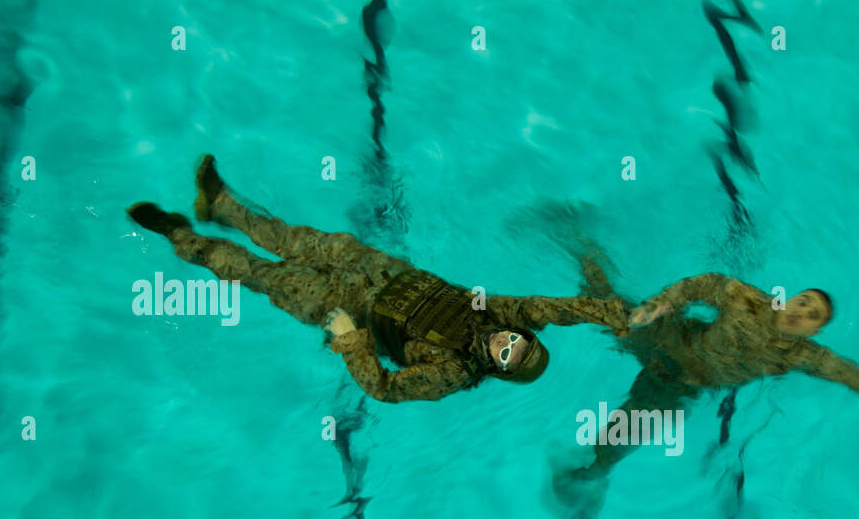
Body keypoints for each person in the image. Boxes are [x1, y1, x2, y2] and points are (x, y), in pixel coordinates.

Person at [126, 156, 630, 402]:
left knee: (254, 271)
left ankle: (179, 235)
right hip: (379, 269)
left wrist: (350, 341)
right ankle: (219, 205)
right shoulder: (501, 314)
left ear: (498, 370)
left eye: (506, 355)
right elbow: (552, 308)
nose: (504, 341)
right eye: (516, 340)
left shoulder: (451, 373)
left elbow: (385, 389)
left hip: (350, 308)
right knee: (291, 239)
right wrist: (611, 313)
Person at [552, 248, 859, 519]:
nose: (803, 311)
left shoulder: (800, 355)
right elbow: (701, 285)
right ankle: (580, 242)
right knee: (602, 302)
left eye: (813, 316)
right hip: (665, 338)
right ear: (791, 299)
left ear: (814, 332)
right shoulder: (747, 299)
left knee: (623, 441)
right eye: (804, 302)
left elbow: (853, 376)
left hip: (680, 384)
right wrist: (657, 305)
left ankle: (583, 482)